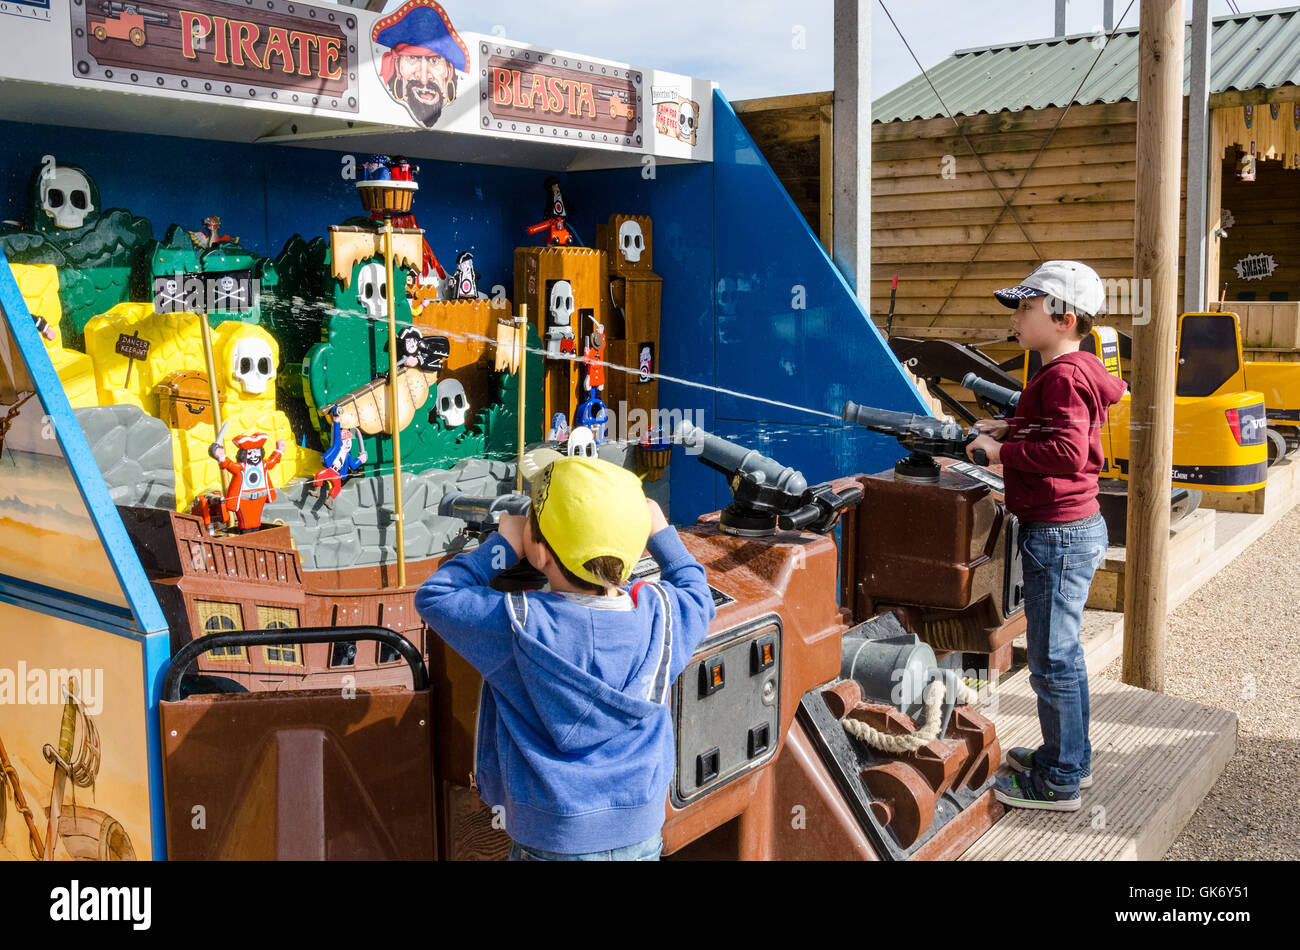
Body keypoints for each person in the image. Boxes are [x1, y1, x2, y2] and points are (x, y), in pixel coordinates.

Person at [415, 455, 716, 859]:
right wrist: (659, 530)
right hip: (639, 833)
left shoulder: (518, 626)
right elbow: (695, 587)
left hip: (550, 839)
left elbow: (435, 596)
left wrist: (500, 547)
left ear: (538, 554)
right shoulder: (663, 618)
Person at [966, 261, 1128, 812]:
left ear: (1063, 316)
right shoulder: (1071, 370)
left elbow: (1068, 452)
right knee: (1065, 656)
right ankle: (1071, 759)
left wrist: (999, 453)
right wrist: (1012, 427)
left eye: (1026, 307)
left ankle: (1058, 782)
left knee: (1052, 659)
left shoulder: (1059, 376)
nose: (1016, 318)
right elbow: (1062, 431)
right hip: (1072, 528)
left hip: (1058, 534)